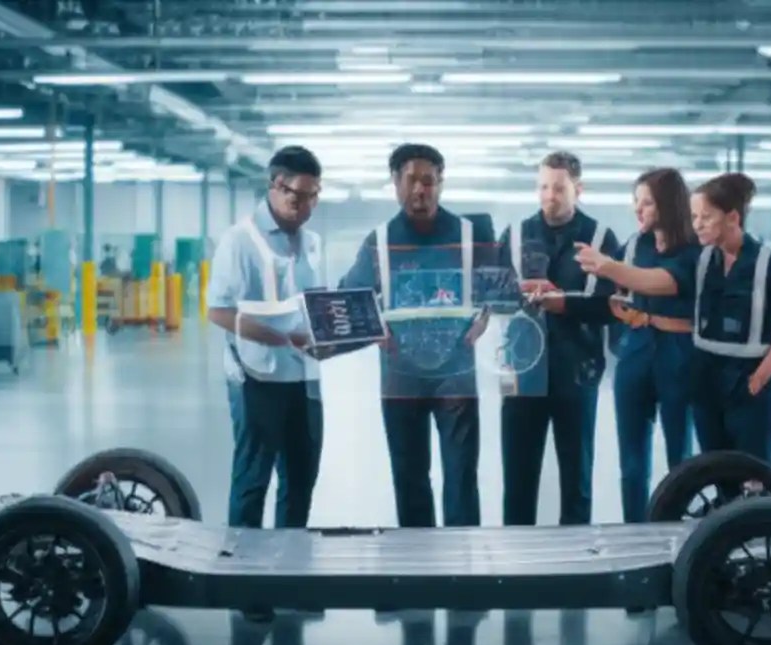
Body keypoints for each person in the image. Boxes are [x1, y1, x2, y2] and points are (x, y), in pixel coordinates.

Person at [576, 172, 771, 466]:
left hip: (750, 379)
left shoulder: (768, 265)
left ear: (732, 218)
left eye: (705, 217)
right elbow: (643, 286)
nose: (697, 225)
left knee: (753, 475)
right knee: (713, 471)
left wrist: (759, 379)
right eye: (694, 216)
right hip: (707, 379)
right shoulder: (704, 259)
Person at [338, 143, 494, 528]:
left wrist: (486, 316)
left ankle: (463, 562)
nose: (420, 190)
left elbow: (499, 287)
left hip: (456, 375)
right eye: (411, 180)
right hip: (400, 376)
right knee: (409, 476)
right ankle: (417, 560)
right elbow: (349, 296)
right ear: (395, 183)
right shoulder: (379, 242)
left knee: (460, 475)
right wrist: (373, 328)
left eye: (429, 181)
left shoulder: (470, 235)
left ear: (441, 183)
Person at [206, 145, 327, 531]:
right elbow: (218, 311)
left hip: (305, 380)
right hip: (256, 379)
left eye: (313, 196)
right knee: (252, 481)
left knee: (300, 480)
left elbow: (316, 304)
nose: (305, 205)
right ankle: (242, 571)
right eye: (297, 195)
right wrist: (279, 338)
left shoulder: (313, 243)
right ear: (275, 186)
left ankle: (288, 569)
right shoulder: (239, 240)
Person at [498, 150, 621, 526]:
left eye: (558, 188)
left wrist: (563, 303)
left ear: (577, 189)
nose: (549, 196)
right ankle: (513, 558)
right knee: (517, 476)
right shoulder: (515, 235)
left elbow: (611, 305)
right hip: (523, 368)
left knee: (576, 475)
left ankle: (578, 557)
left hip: (578, 368)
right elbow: (494, 295)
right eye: (543, 187)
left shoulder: (601, 238)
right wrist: (517, 293)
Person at [607, 168, 700, 522]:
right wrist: (622, 311)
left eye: (646, 203)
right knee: (632, 460)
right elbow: (613, 292)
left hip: (679, 352)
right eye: (636, 202)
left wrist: (611, 268)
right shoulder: (634, 245)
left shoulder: (696, 251)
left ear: (668, 205)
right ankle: (634, 528)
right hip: (637, 351)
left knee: (680, 455)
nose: (638, 210)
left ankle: (678, 528)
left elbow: (665, 282)